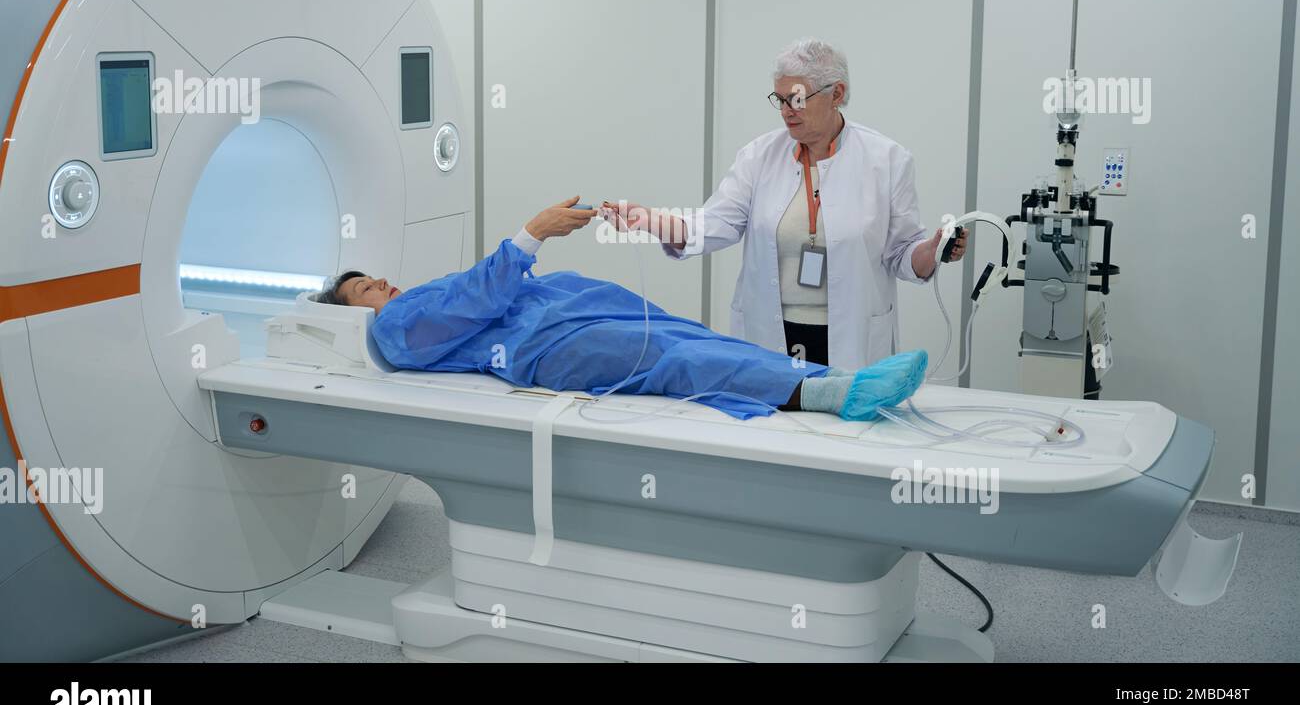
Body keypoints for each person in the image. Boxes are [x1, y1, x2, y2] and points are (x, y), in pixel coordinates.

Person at [318, 196, 927, 421]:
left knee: (691, 337)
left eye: (374, 278)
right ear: (356, 317)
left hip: (574, 312)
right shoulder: (394, 330)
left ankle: (832, 378)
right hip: (551, 346)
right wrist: (532, 233)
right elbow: (475, 297)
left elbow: (473, 296)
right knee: (676, 356)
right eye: (366, 288)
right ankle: (831, 398)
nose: (383, 283)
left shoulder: (413, 303)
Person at [608, 37, 966, 371]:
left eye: (796, 99)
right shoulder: (759, 156)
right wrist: (653, 221)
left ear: (836, 93)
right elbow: (715, 224)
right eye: (779, 100)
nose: (785, 111)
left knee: (846, 433)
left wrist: (933, 250)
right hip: (771, 335)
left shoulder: (887, 160)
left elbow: (903, 254)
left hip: (851, 338)